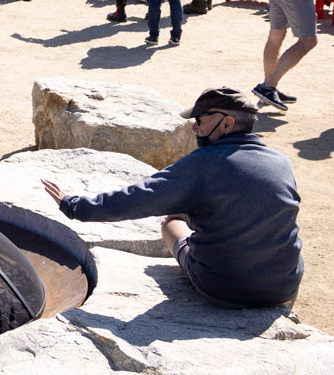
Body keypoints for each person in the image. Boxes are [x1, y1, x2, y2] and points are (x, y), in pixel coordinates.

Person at [42, 87, 303, 309]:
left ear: (226, 123)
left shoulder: (204, 162)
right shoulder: (280, 161)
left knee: (172, 223)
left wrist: (75, 206)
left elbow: (139, 198)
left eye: (199, 121)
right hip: (284, 286)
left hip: (223, 289)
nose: (194, 129)